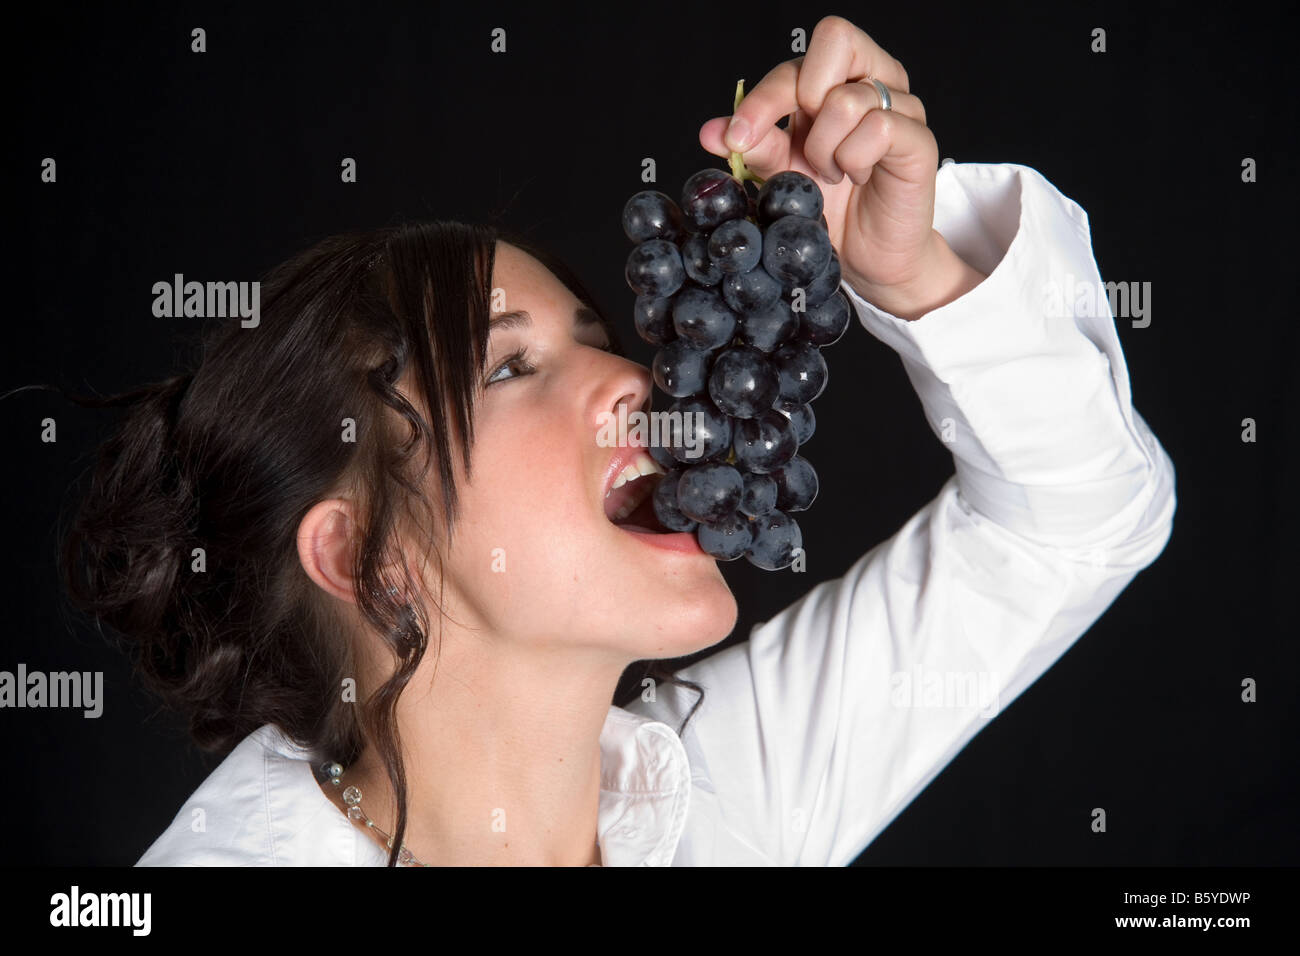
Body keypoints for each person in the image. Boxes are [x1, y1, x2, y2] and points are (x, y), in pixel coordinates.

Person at [59, 15, 1175, 866]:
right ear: (363, 556)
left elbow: (1074, 520)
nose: (635, 378)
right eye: (507, 366)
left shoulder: (715, 790)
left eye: (592, 335)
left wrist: (913, 270)